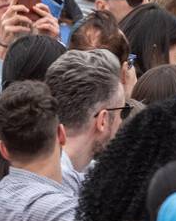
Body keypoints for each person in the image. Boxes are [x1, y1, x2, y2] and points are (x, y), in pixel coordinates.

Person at [0, 81, 91, 221]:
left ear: (3, 150)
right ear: (61, 134)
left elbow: (85, 182)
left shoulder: (12, 190)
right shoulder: (42, 209)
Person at [42, 49, 126, 183]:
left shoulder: (32, 170)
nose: (121, 121)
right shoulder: (58, 194)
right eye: (122, 112)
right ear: (102, 120)